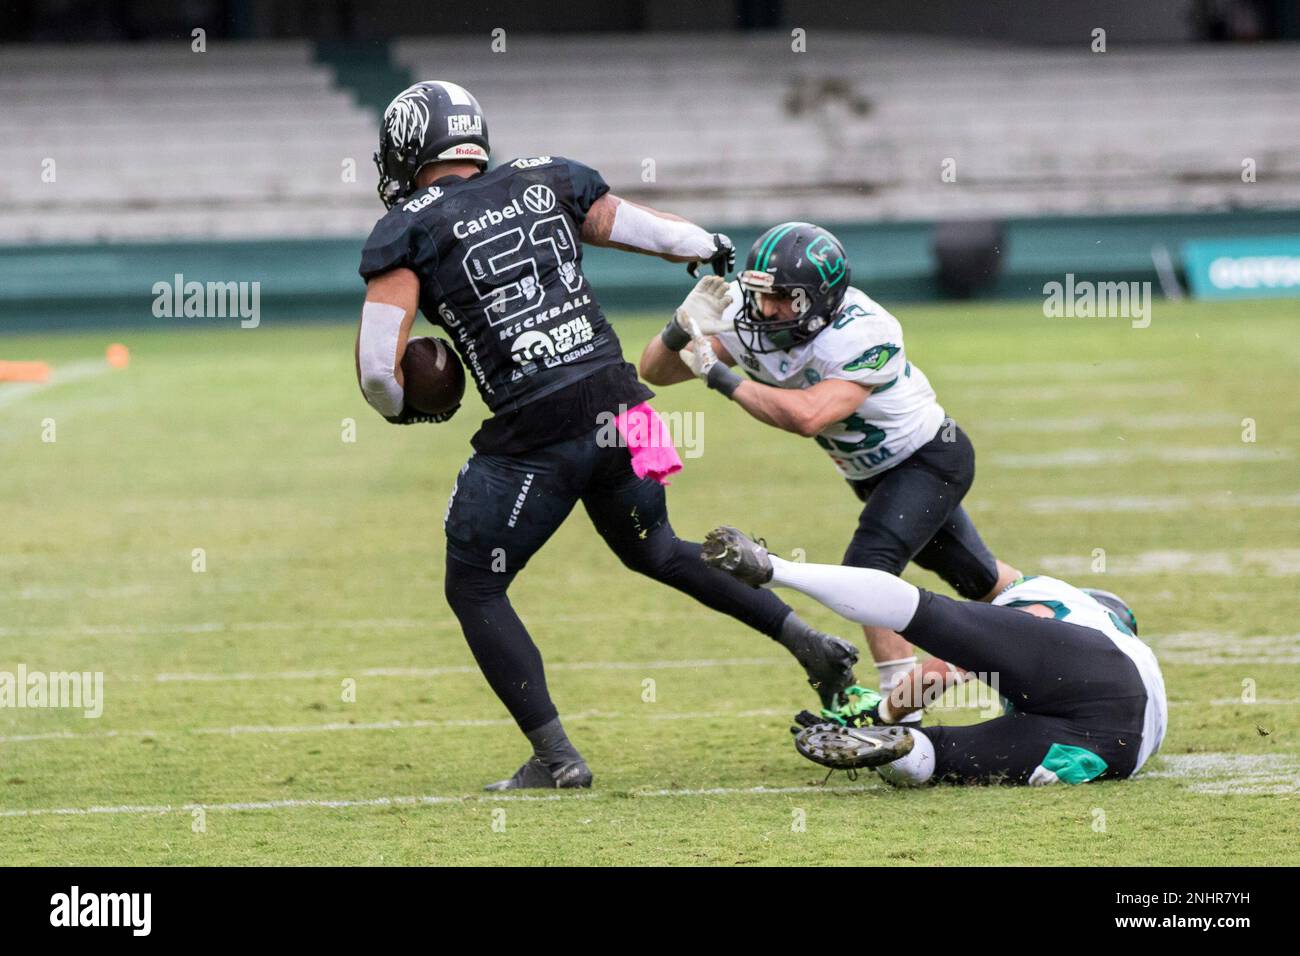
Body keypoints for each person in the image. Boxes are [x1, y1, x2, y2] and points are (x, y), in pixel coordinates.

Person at [355, 81, 858, 791]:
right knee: (657, 546)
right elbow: (659, 234)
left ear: (408, 148)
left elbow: (379, 371)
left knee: (474, 587)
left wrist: (410, 407)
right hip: (628, 407)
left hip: (538, 428)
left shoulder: (406, 229)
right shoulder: (546, 178)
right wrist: (712, 246)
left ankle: (557, 758)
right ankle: (806, 640)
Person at [639, 223, 1019, 717]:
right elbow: (655, 372)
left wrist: (717, 375)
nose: (768, 309)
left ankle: (903, 720)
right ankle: (1069, 618)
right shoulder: (741, 310)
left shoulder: (863, 331)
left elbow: (808, 416)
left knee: (867, 572)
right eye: (762, 294)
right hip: (873, 475)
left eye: (785, 299)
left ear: (822, 299)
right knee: (979, 580)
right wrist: (678, 329)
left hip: (928, 458)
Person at [701, 526, 1167, 786]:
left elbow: (950, 668)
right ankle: (898, 750)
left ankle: (774, 569)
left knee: (922, 612)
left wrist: (885, 708)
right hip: (1116, 753)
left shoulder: (1068, 607)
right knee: (936, 757)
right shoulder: (1132, 654)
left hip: (1100, 681)